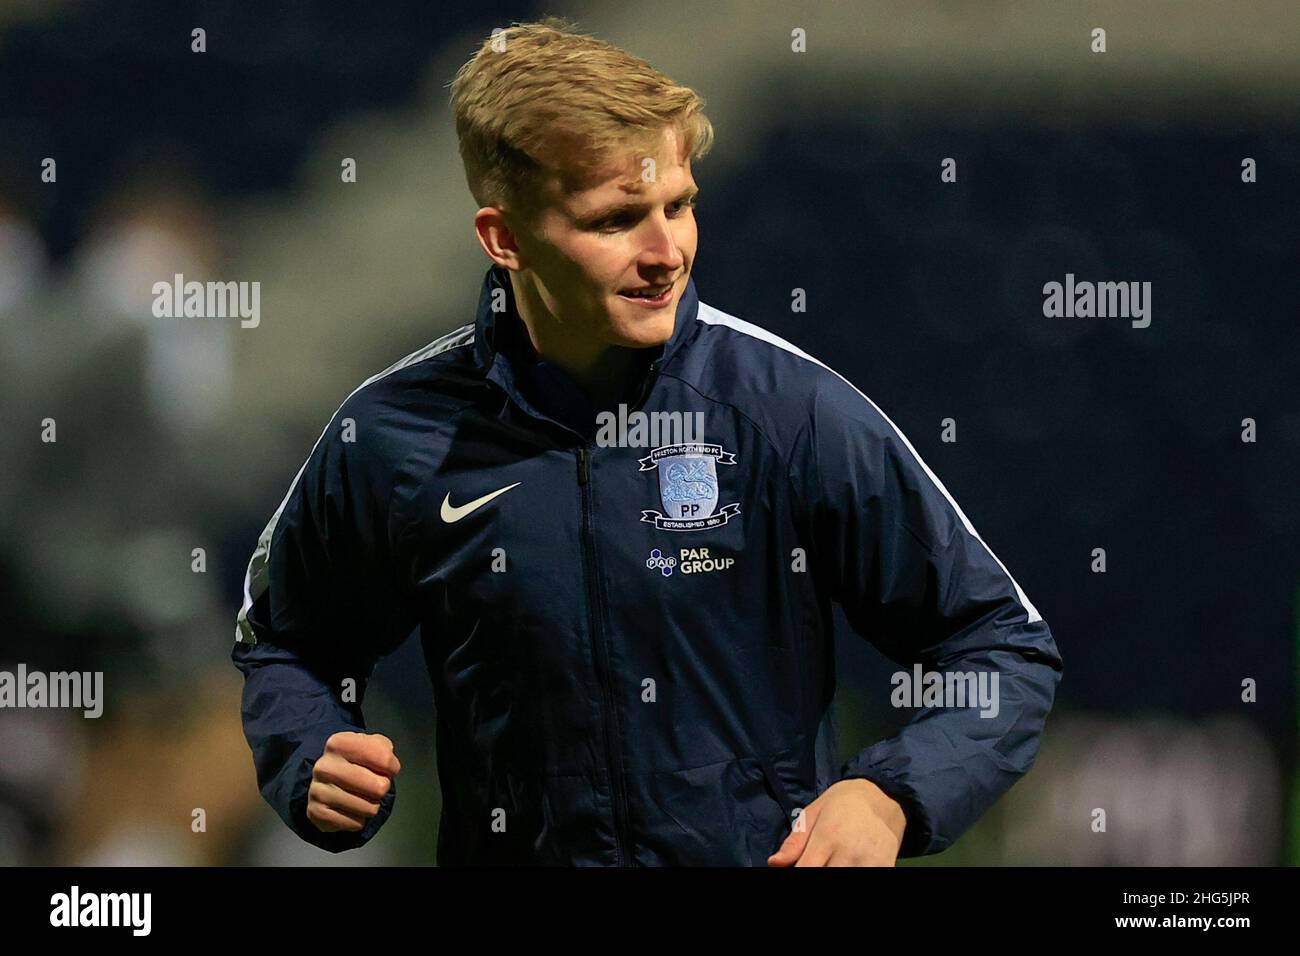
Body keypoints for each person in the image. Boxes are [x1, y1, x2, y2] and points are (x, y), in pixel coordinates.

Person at [231, 16, 1063, 867]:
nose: (668, 252)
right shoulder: (394, 434)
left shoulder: (787, 411)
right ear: (504, 238)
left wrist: (890, 793)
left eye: (680, 205)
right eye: (618, 218)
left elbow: (1001, 646)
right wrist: (310, 752)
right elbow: (287, 643)